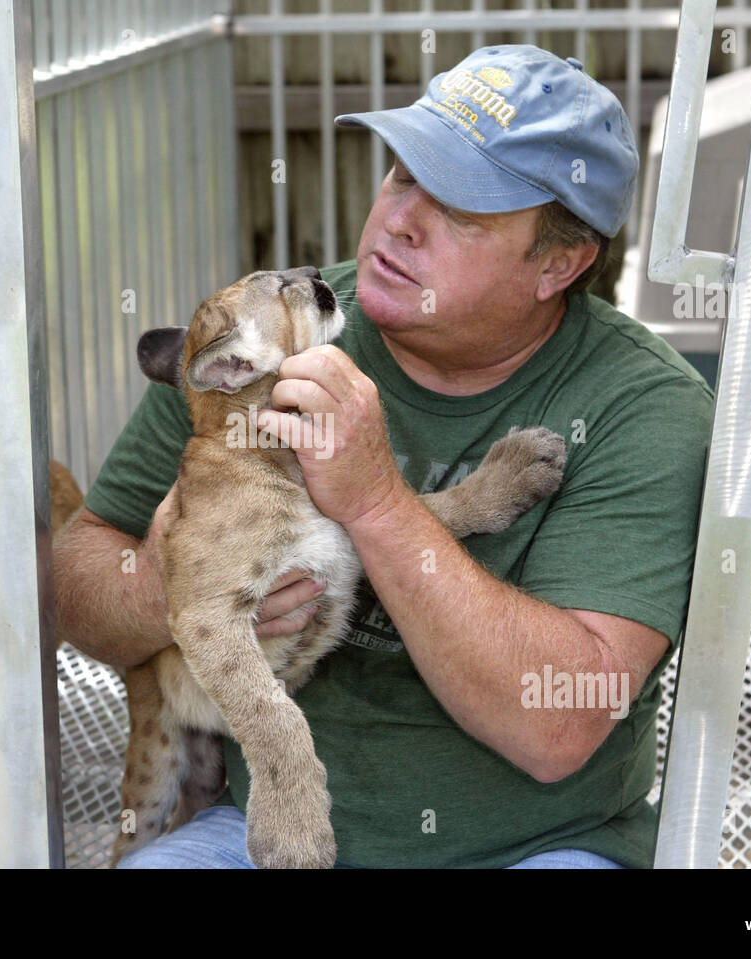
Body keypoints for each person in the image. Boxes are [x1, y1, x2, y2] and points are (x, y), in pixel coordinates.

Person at [54, 45, 715, 868]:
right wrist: (170, 587)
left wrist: (375, 502)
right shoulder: (263, 336)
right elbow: (79, 573)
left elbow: (559, 724)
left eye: (461, 209)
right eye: (403, 176)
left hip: (534, 849)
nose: (400, 220)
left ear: (559, 262)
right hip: (259, 838)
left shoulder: (641, 408)